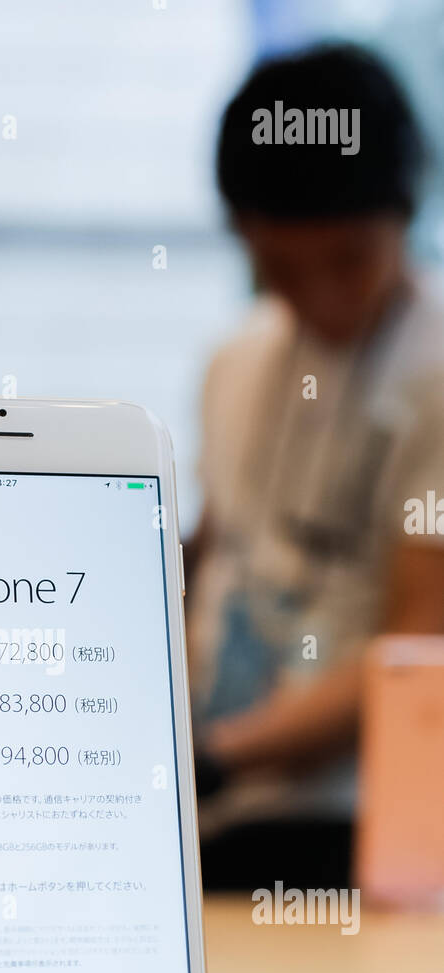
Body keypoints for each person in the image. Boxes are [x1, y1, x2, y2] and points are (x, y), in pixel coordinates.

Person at [186, 44, 444, 890]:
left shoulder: (434, 364)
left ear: (407, 213)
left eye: (349, 261)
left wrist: (218, 758)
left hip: (356, 829)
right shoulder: (239, 359)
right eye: (284, 269)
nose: (323, 298)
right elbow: (219, 548)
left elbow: (421, 640)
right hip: (218, 814)